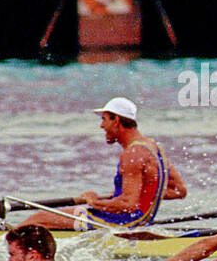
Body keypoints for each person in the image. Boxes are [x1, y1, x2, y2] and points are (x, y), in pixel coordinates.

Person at [22, 96, 186, 230]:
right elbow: (179, 191)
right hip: (140, 220)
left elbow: (128, 204)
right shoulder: (154, 147)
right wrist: (134, 193)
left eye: (104, 119)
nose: (101, 125)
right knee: (50, 219)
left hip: (123, 222)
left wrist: (93, 201)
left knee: (39, 218)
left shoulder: (132, 154)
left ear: (116, 121)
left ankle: (8, 241)